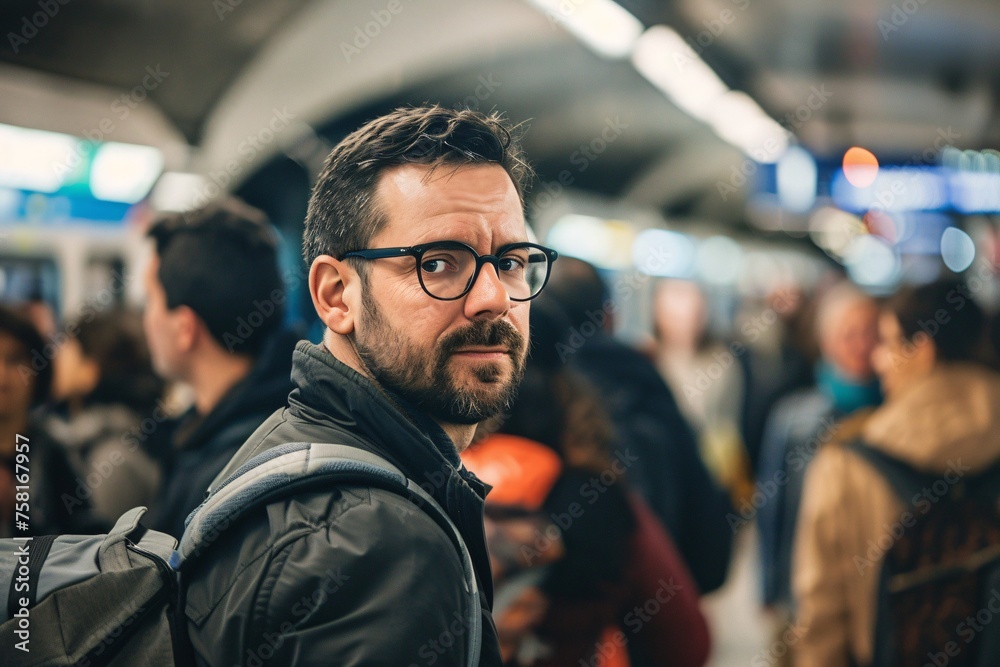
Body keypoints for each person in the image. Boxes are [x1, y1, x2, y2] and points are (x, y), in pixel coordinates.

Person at [183, 106, 557, 666]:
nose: (495, 298)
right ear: (337, 295)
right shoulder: (379, 544)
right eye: (438, 263)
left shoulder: (289, 447)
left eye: (510, 261)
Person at [792, 280, 1000, 666]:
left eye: (886, 342)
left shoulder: (847, 463)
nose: (876, 359)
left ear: (921, 350)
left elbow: (821, 617)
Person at [543, 258, 734, 594]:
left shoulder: (520, 393)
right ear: (609, 317)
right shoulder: (645, 383)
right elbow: (699, 499)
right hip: (644, 596)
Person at [141, 199, 297, 539]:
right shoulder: (277, 417)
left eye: (150, 299)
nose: (146, 319)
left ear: (185, 328)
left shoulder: (227, 473)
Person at [756, 282, 881, 609]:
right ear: (826, 341)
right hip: (807, 587)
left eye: (871, 333)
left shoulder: (896, 413)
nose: (862, 345)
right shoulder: (793, 419)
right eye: (848, 334)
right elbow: (773, 510)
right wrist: (770, 590)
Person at [45, 309, 164, 523]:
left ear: (89, 371)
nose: (54, 356)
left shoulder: (111, 459)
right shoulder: (76, 439)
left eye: (64, 348)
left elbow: (108, 550)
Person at [0, 305, 104, 537]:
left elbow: (84, 538)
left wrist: (21, 510)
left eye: (15, 359)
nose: (2, 377)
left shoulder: (55, 452)